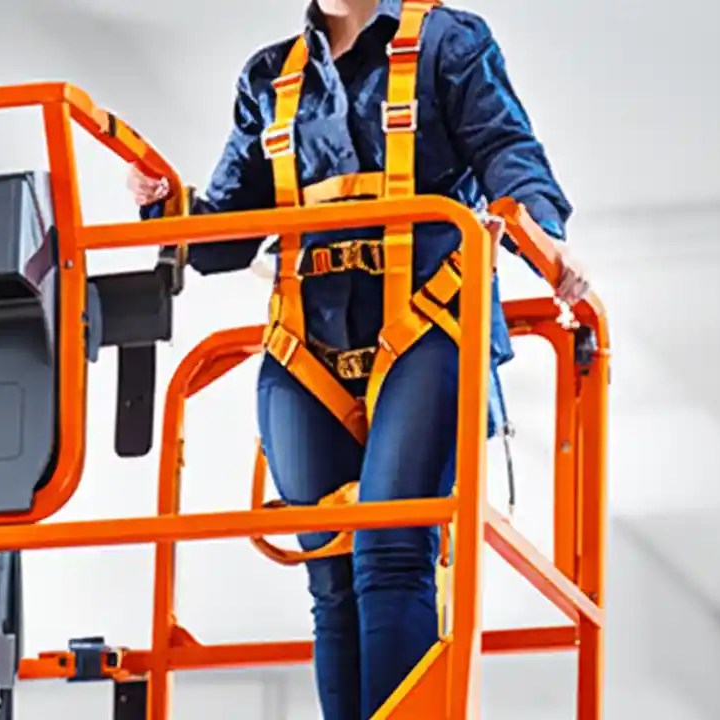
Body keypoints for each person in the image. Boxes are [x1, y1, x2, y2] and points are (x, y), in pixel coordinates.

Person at [129, 1, 588, 717]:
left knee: (391, 550)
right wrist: (168, 211)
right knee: (331, 576)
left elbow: (507, 151)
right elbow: (226, 234)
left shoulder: (447, 41)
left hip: (428, 322)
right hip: (305, 341)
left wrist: (545, 237)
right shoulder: (270, 78)